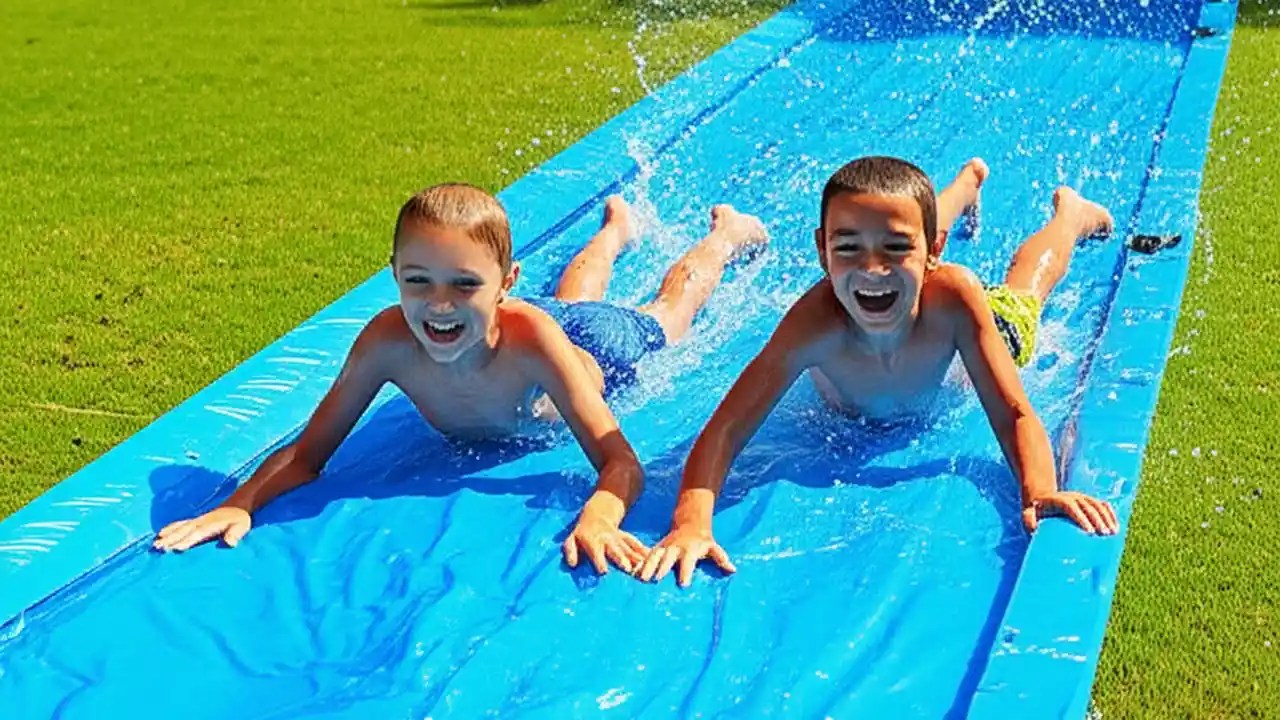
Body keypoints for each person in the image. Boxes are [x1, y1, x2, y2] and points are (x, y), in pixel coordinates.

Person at [154, 183, 768, 576]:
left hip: (593, 349)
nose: (438, 305)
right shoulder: (387, 341)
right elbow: (309, 455)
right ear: (394, 274)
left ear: (504, 282)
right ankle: (616, 230)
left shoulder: (530, 340)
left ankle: (723, 236)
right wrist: (240, 503)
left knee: (666, 315)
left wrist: (602, 517)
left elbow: (620, 463)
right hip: (531, 322)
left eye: (463, 284)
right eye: (418, 281)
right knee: (570, 294)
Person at [639, 156, 1120, 587]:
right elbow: (726, 427)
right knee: (900, 215)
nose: (872, 269)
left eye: (895, 250)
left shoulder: (955, 299)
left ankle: (1070, 215)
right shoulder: (813, 324)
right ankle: (966, 184)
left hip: (979, 337)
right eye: (848, 248)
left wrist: (1040, 490)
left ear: (935, 252)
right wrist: (690, 523)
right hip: (917, 261)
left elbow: (1014, 412)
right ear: (822, 250)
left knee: (1024, 291)